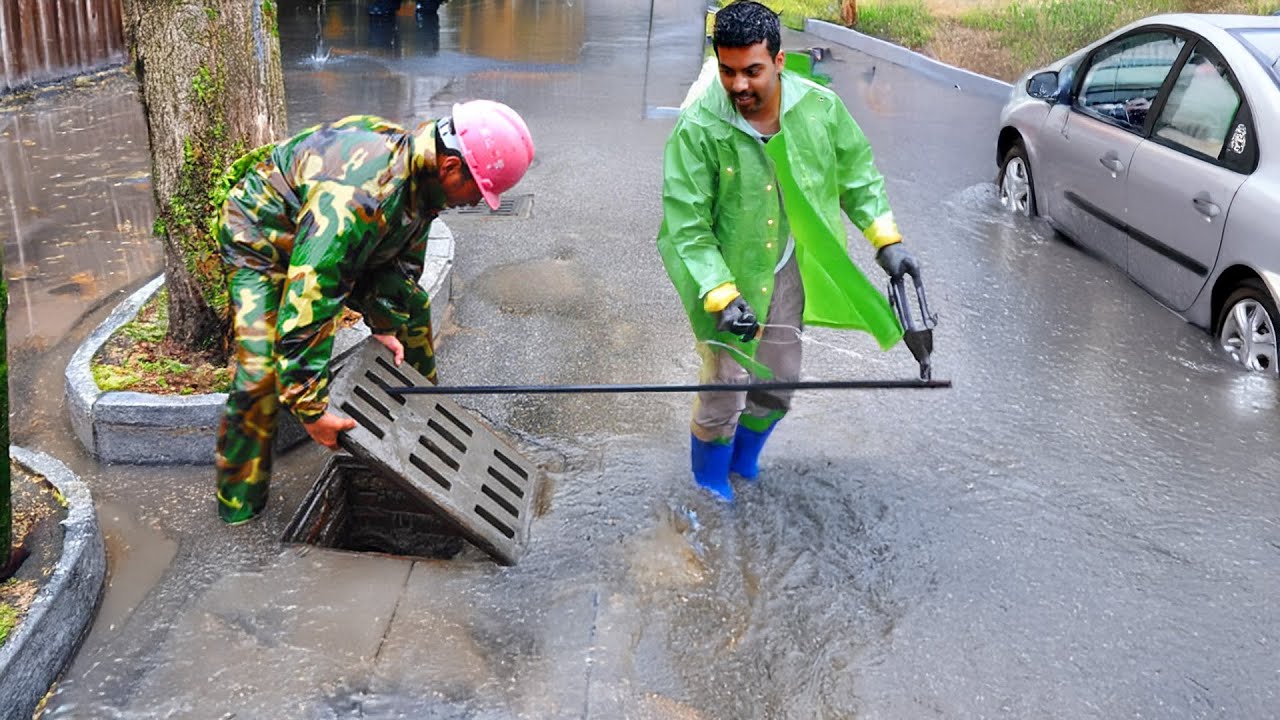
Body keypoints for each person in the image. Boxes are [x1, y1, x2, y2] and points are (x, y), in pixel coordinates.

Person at [214, 101, 535, 524]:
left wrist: (384, 323)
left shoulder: (420, 176)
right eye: (477, 190)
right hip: (261, 235)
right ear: (452, 166)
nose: (475, 200)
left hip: (324, 235)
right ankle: (239, 505)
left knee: (413, 308)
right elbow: (312, 296)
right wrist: (310, 409)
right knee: (260, 374)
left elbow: (400, 258)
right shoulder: (360, 197)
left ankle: (424, 424)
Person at [657, 0, 920, 501]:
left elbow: (857, 176)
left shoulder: (819, 108)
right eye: (728, 72)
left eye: (753, 71)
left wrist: (887, 240)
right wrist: (719, 292)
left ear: (778, 61)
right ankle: (710, 481)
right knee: (726, 385)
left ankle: (743, 462)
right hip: (727, 273)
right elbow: (687, 223)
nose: (739, 86)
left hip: (786, 267)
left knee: (781, 380)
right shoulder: (699, 126)